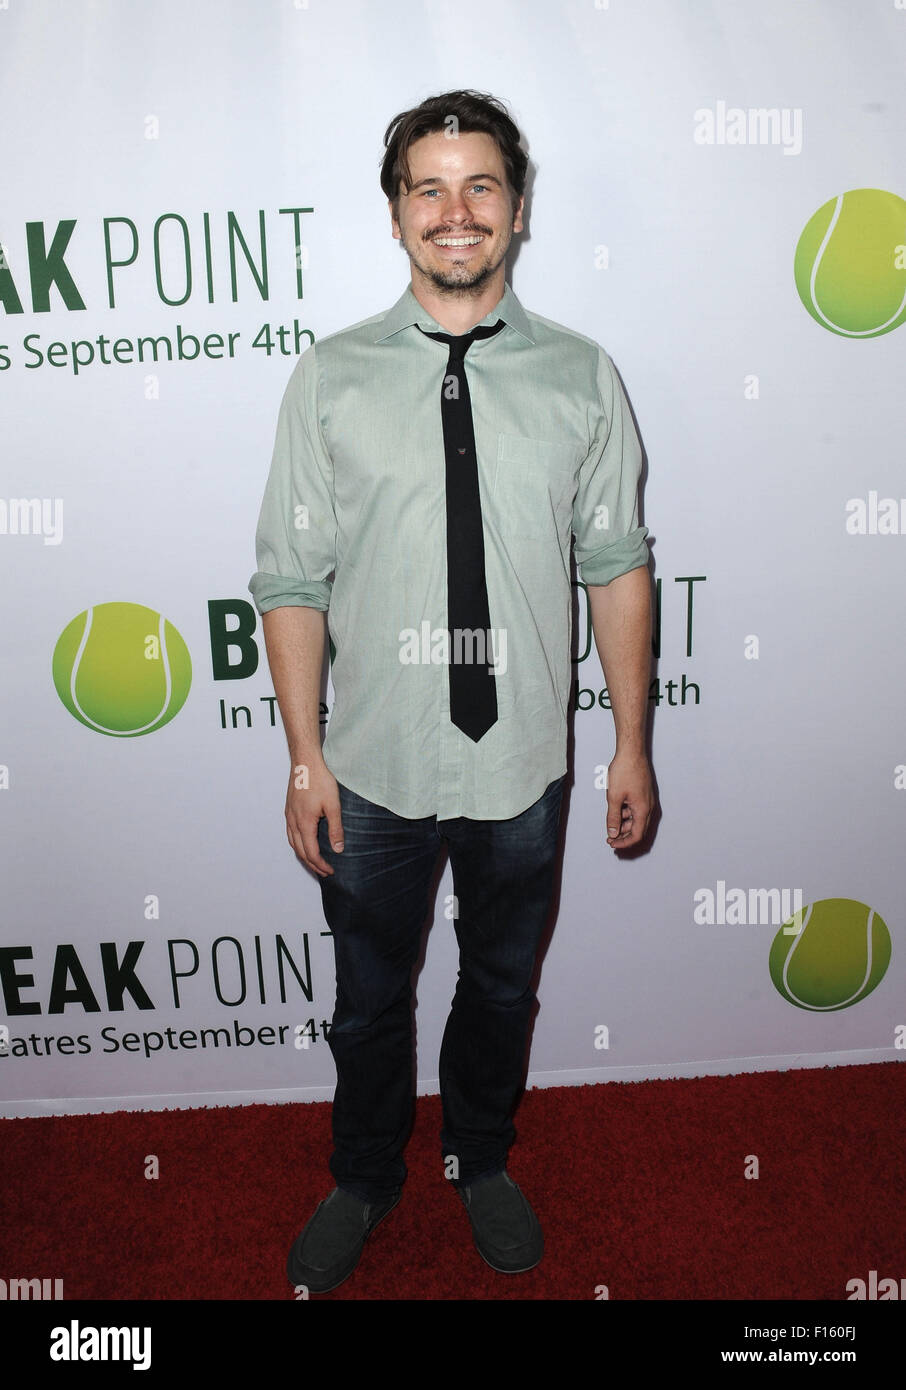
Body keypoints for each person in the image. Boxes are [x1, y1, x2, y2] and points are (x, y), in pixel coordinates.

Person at [249, 89, 655, 1295]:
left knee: (501, 983)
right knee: (370, 999)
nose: (455, 211)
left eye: (481, 185)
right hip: (371, 766)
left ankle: (481, 1153)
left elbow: (617, 568)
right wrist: (304, 759)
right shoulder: (330, 379)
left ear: (518, 211)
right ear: (394, 216)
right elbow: (289, 579)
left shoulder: (583, 376)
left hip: (522, 759)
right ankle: (366, 1172)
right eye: (428, 187)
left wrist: (630, 746)